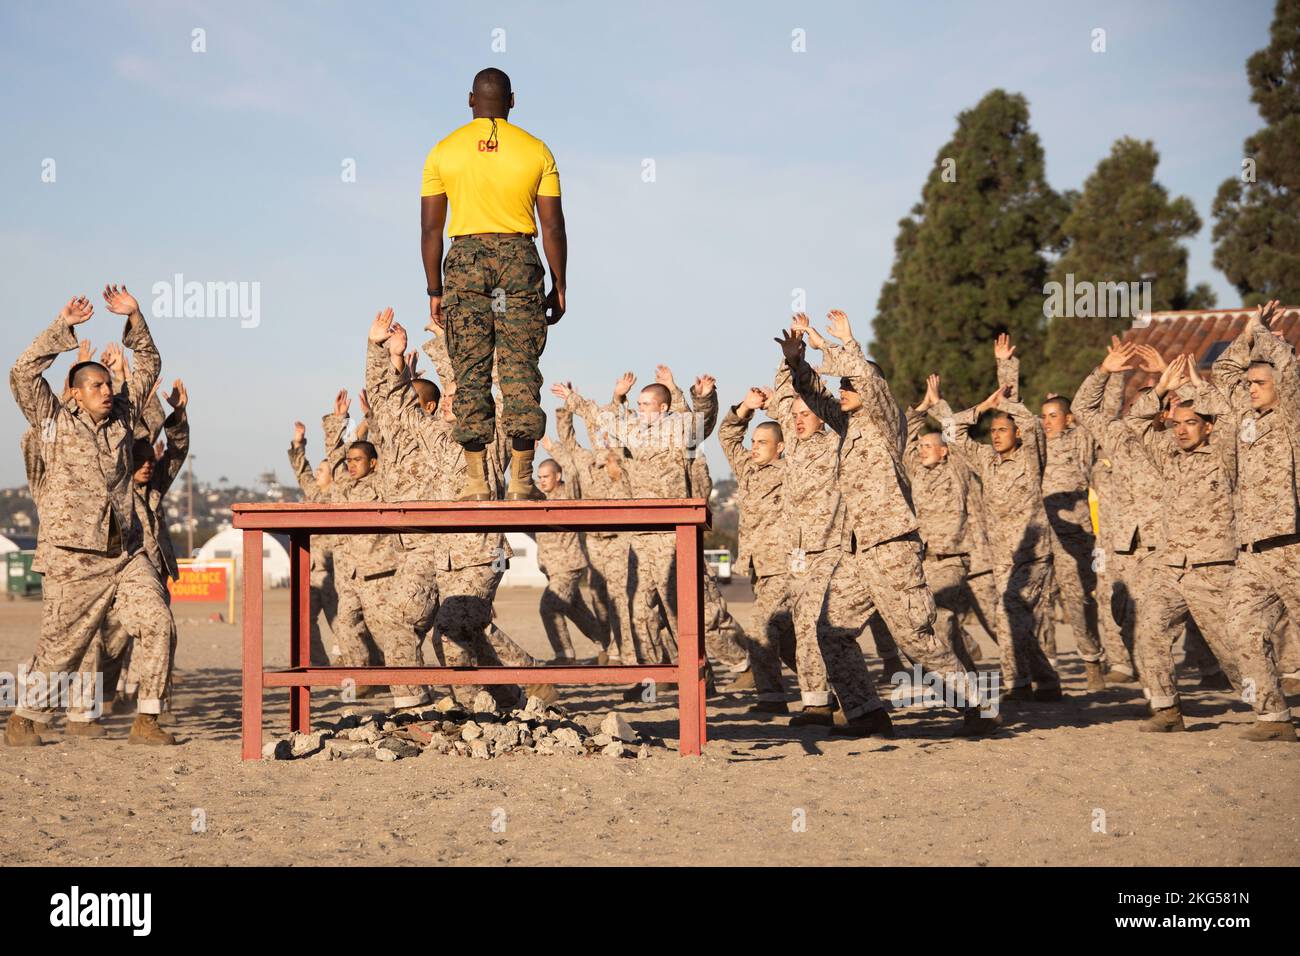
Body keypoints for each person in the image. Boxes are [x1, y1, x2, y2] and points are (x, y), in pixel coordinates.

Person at [7, 287, 175, 747]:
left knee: (158, 621)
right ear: (75, 394)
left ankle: (148, 719)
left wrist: (135, 316)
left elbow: (149, 367)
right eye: (96, 386)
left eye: (107, 384)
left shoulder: (123, 417)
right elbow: (22, 372)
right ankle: (24, 719)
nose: (106, 390)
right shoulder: (52, 421)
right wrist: (62, 328)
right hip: (72, 557)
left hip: (125, 553)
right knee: (62, 649)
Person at [421, 67, 567, 502]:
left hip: (464, 261)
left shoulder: (443, 151)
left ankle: (476, 482)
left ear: (471, 100)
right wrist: (559, 283)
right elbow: (553, 226)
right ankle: (522, 481)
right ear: (512, 101)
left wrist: (434, 289)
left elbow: (431, 230)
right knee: (520, 367)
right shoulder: (536, 150)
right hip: (519, 259)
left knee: (470, 368)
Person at [944, 335, 1062, 703]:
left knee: (1009, 613)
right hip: (1001, 557)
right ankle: (1045, 680)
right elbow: (951, 431)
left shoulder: (1030, 456)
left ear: (1016, 435)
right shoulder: (983, 460)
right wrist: (982, 407)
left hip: (1032, 553)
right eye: (993, 431)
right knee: (1013, 621)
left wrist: (1007, 372)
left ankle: (1018, 684)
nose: (996, 436)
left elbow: (1028, 421)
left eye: (1002, 430)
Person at [719, 386, 797, 712]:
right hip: (757, 565)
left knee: (759, 628)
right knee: (789, 640)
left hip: (784, 564)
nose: (754, 448)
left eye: (762, 443)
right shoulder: (748, 470)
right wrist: (746, 409)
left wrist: (776, 405)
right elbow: (727, 437)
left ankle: (771, 699)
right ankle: (833, 691)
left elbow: (799, 431)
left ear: (781, 447)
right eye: (753, 442)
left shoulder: (793, 467)